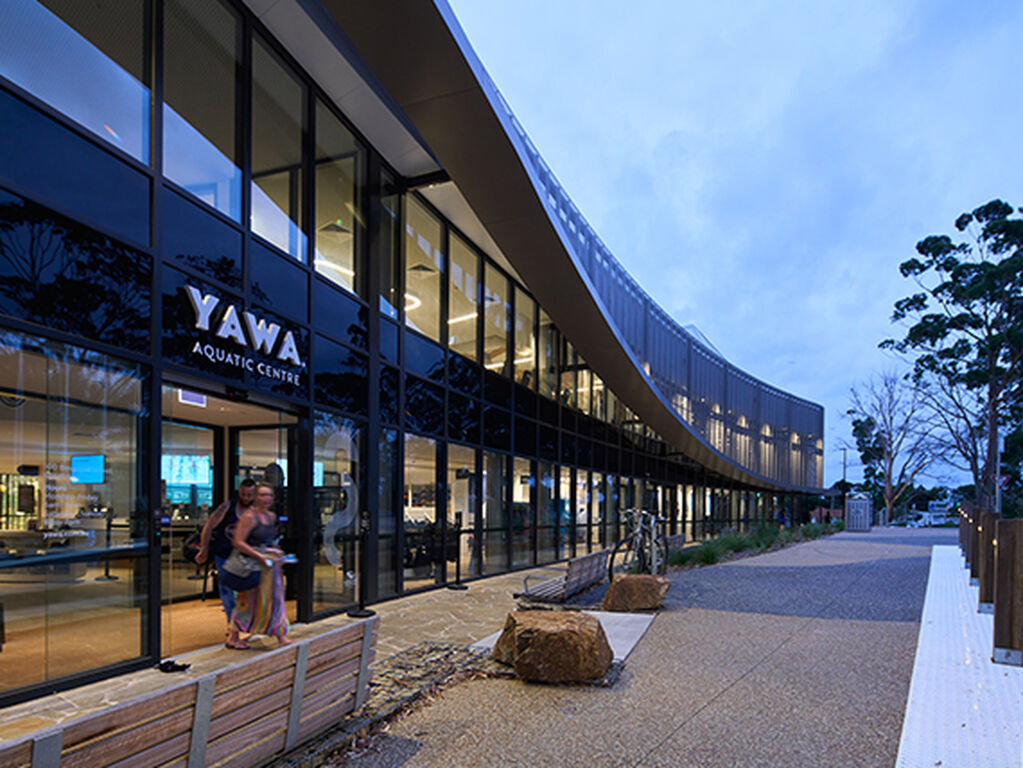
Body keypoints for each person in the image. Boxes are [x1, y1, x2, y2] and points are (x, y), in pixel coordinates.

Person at [196, 478, 256, 650]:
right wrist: (204, 549)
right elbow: (209, 526)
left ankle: (234, 629)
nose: (246, 497)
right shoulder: (227, 507)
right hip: (224, 556)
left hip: (243, 559)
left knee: (245, 595)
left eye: (249, 495)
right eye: (243, 494)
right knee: (229, 594)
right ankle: (234, 634)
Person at [231, 482, 291, 647]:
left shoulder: (271, 516)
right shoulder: (249, 517)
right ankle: (233, 636)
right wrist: (259, 555)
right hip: (253, 564)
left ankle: (280, 634)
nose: (267, 498)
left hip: (269, 564)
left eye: (269, 495)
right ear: (255, 497)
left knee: (275, 599)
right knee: (248, 601)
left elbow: (268, 541)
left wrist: (276, 553)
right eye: (263, 495)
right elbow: (238, 541)